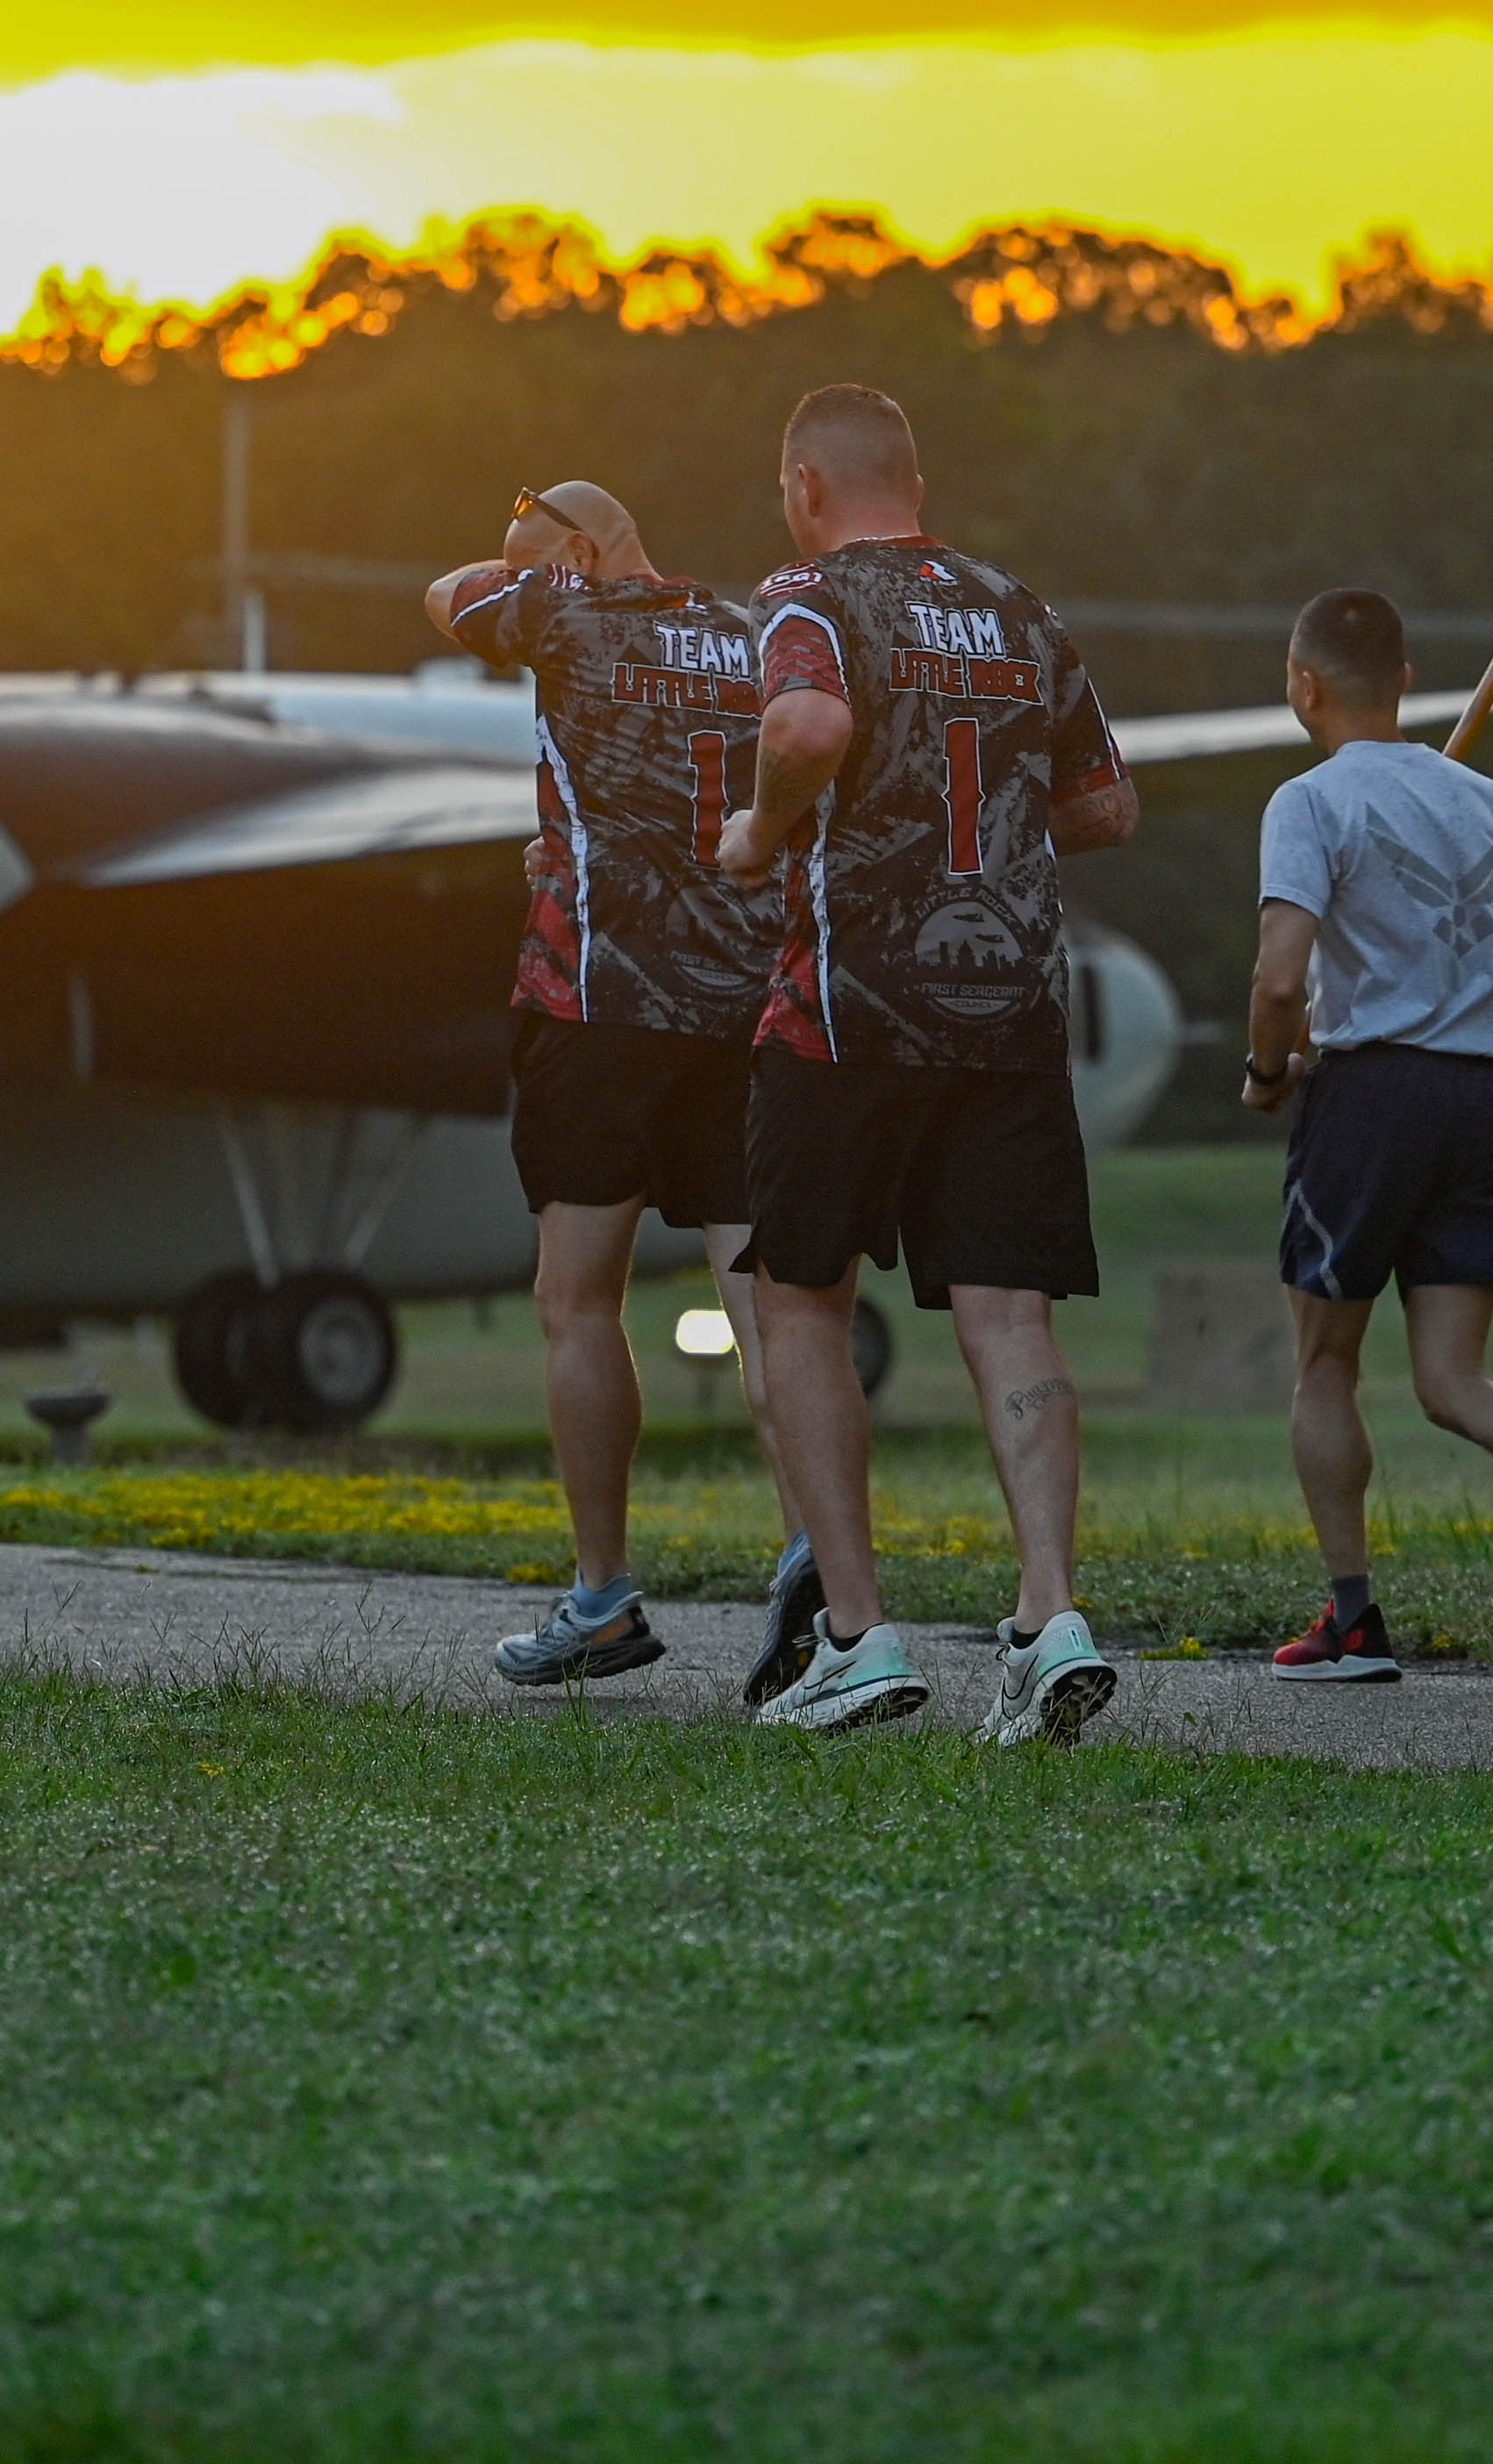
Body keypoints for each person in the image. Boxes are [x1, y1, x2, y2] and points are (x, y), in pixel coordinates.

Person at [714, 384, 1138, 1744]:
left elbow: (805, 729)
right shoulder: (1020, 608)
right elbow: (1106, 804)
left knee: (798, 1302)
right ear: (913, 472)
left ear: (806, 485)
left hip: (847, 1007)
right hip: (1007, 1009)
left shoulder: (804, 595)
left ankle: (856, 1631)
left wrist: (762, 829)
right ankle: (1048, 1611)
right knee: (1009, 1315)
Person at [1239, 586, 1493, 1682]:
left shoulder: (1309, 801)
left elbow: (1280, 976)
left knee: (1325, 1362)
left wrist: (1266, 1067)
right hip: (1483, 1099)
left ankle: (1353, 1620)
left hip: (1369, 1095)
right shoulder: (1488, 798)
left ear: (1303, 686)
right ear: (1408, 682)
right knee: (1452, 1379)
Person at [426, 479, 797, 1694]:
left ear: (578, 552)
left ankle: (601, 1595)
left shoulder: (566, 614)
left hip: (595, 996)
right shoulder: (748, 631)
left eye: (533, 550)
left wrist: (545, 573)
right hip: (740, 1003)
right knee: (768, 1304)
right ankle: (819, 1563)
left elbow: (448, 600)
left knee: (577, 1299)